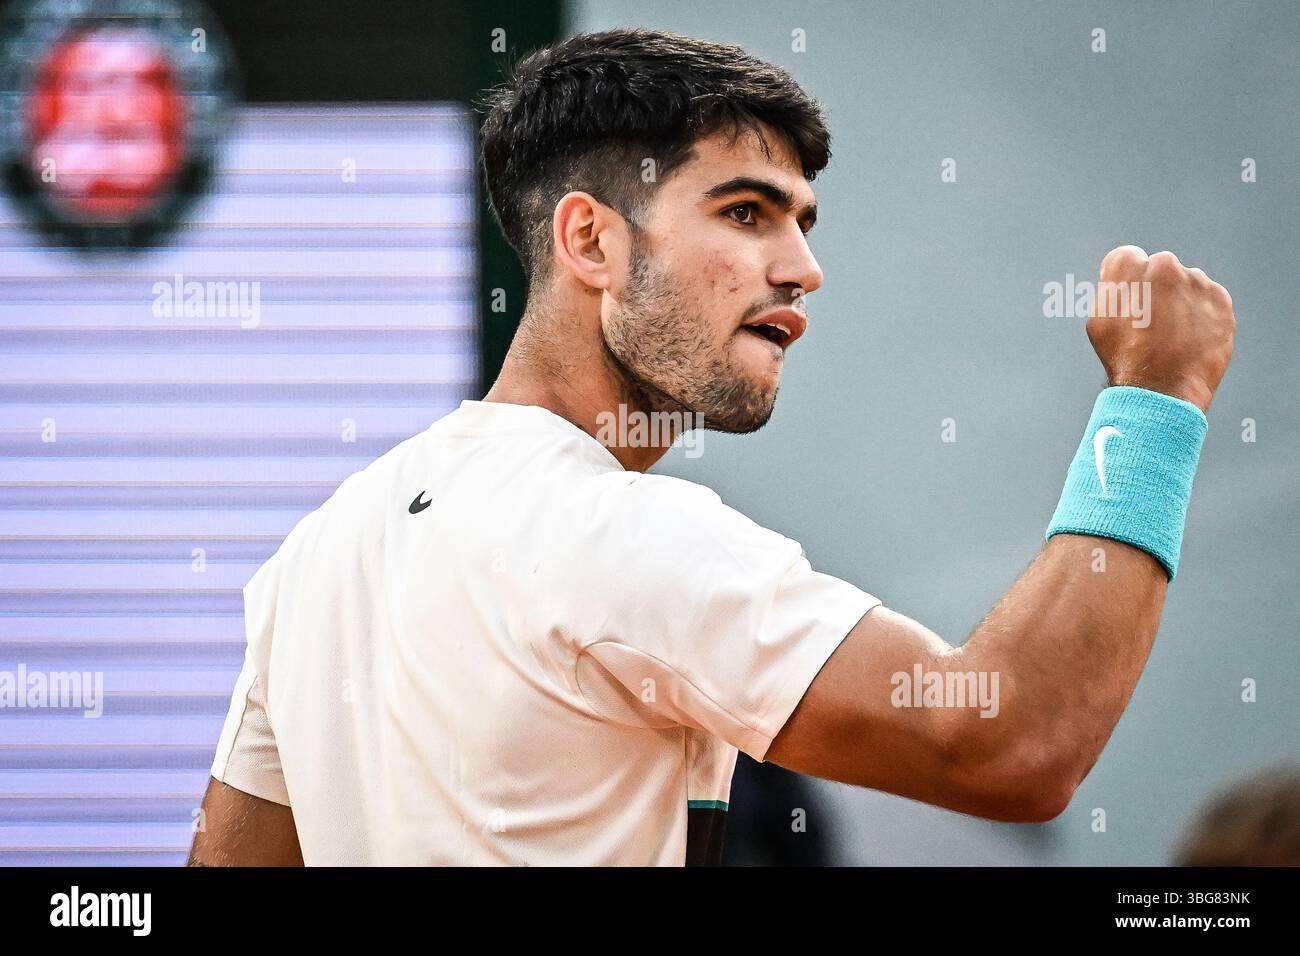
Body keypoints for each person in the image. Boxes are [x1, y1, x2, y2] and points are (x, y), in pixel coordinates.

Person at [188, 28, 1236, 866]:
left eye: (803, 223)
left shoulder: (318, 551)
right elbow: (1011, 740)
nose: (801, 267)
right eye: (747, 212)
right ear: (590, 240)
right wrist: (1156, 395)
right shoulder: (622, 533)